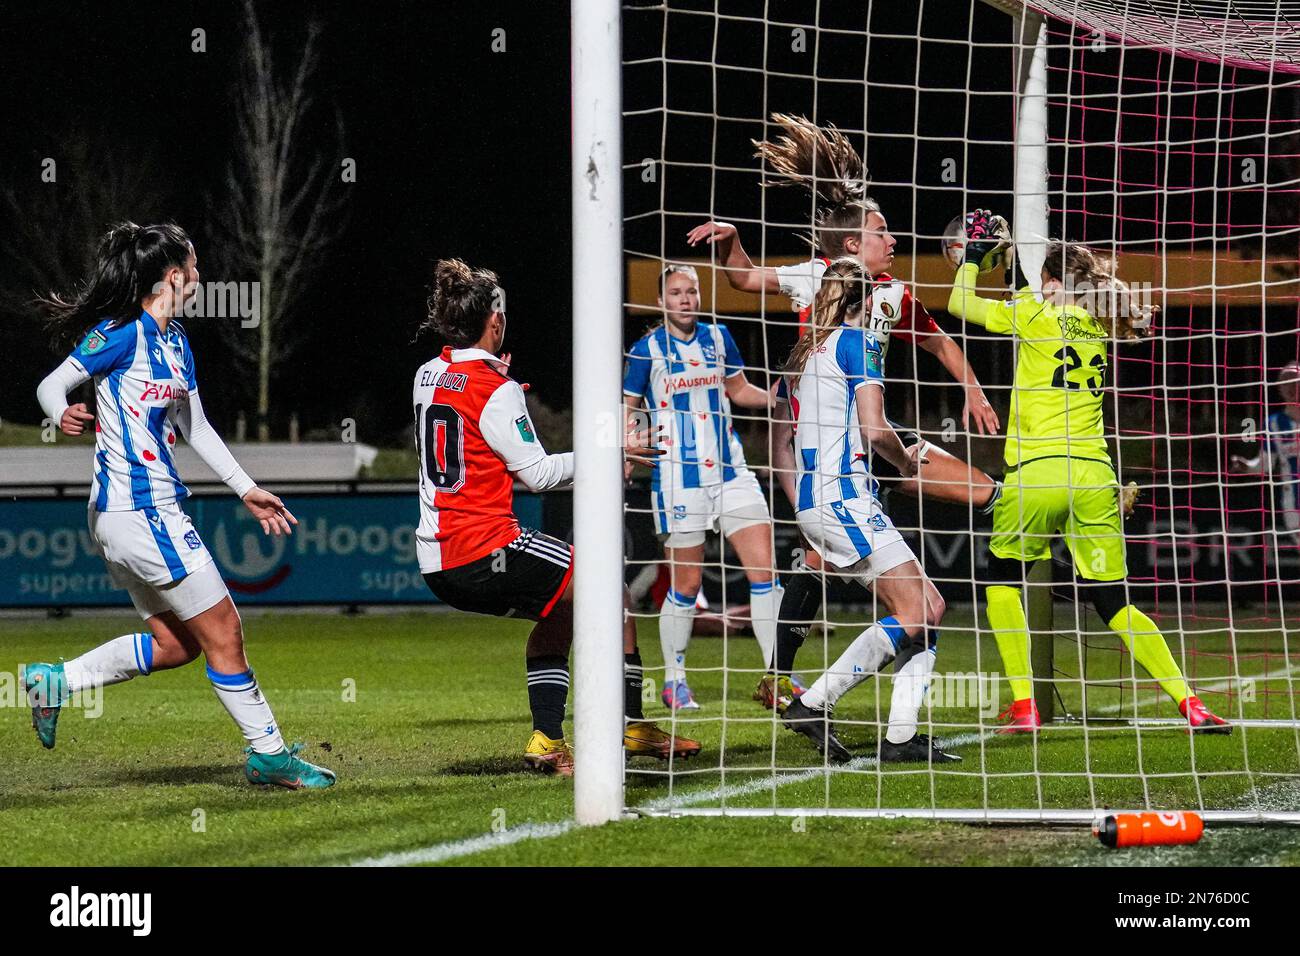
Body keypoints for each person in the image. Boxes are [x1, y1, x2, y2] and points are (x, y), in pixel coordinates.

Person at [686, 112, 1000, 717]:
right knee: (823, 555)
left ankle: (835, 696)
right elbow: (745, 277)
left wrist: (974, 392)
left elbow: (938, 343)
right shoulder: (817, 277)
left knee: (979, 500)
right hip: (828, 435)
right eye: (883, 232)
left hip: (869, 433)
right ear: (854, 243)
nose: (894, 241)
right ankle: (788, 679)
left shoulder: (895, 295)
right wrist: (730, 241)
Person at [27, 221, 335, 789]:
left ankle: (55, 681)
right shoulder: (121, 332)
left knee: (178, 645)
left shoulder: (176, 343)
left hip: (133, 516)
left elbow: (197, 428)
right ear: (174, 275)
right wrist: (59, 412)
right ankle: (267, 753)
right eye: (194, 267)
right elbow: (52, 384)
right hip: (139, 512)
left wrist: (245, 488)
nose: (199, 276)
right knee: (225, 632)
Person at [948, 211, 1230, 734]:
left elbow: (957, 305)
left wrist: (970, 262)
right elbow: (1136, 322)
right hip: (1097, 477)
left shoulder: (1035, 310)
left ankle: (1024, 704)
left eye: (1041, 280)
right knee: (1116, 603)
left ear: (1053, 283)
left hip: (1037, 472)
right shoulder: (1101, 322)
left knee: (1001, 582)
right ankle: (1189, 702)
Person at [416, 258, 700, 775]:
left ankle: (547, 739)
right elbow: (540, 474)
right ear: (495, 321)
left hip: (437, 561)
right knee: (609, 589)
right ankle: (631, 724)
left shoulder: (428, 374)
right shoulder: (496, 389)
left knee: (562, 610)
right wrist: (612, 447)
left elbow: (463, 407)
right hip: (484, 547)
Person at [777, 258, 956, 763]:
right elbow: (877, 431)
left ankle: (901, 735)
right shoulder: (858, 344)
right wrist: (908, 462)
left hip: (823, 497)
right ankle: (814, 703)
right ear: (868, 301)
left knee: (928, 607)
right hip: (843, 497)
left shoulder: (805, 353)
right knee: (918, 610)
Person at [623, 264, 803, 709]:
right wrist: (629, 450)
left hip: (732, 473)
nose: (686, 299)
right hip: (678, 481)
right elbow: (628, 408)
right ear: (663, 300)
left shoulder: (719, 337)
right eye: (677, 293)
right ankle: (675, 679)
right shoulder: (646, 350)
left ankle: (778, 680)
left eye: (692, 291)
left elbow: (739, 391)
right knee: (685, 584)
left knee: (765, 577)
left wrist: (780, 397)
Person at [1231, 362, 1300, 543]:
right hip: (1294, 506)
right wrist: (1247, 466)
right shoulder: (1273, 424)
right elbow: (1266, 465)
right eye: (1285, 381)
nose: (1290, 386)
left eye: (1294, 380)